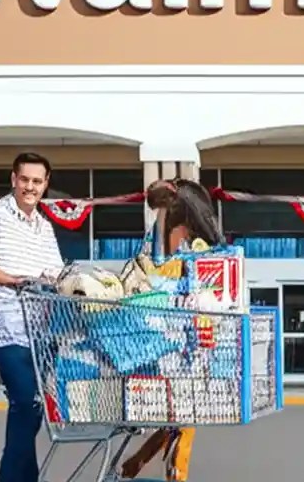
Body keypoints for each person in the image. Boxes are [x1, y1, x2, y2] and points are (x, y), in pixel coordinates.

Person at [122, 179, 225, 481]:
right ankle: (169, 472)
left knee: (181, 415)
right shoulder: (194, 246)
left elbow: (166, 285)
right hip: (177, 345)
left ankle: (139, 464)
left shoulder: (186, 246)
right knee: (183, 414)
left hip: (179, 342)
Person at [0, 152, 64, 482]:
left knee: (34, 406)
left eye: (37, 181)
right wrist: (17, 281)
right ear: (14, 179)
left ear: (45, 185)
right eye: (24, 179)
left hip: (40, 330)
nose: (30, 187)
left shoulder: (45, 227)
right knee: (26, 400)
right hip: (5, 325)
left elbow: (57, 275)